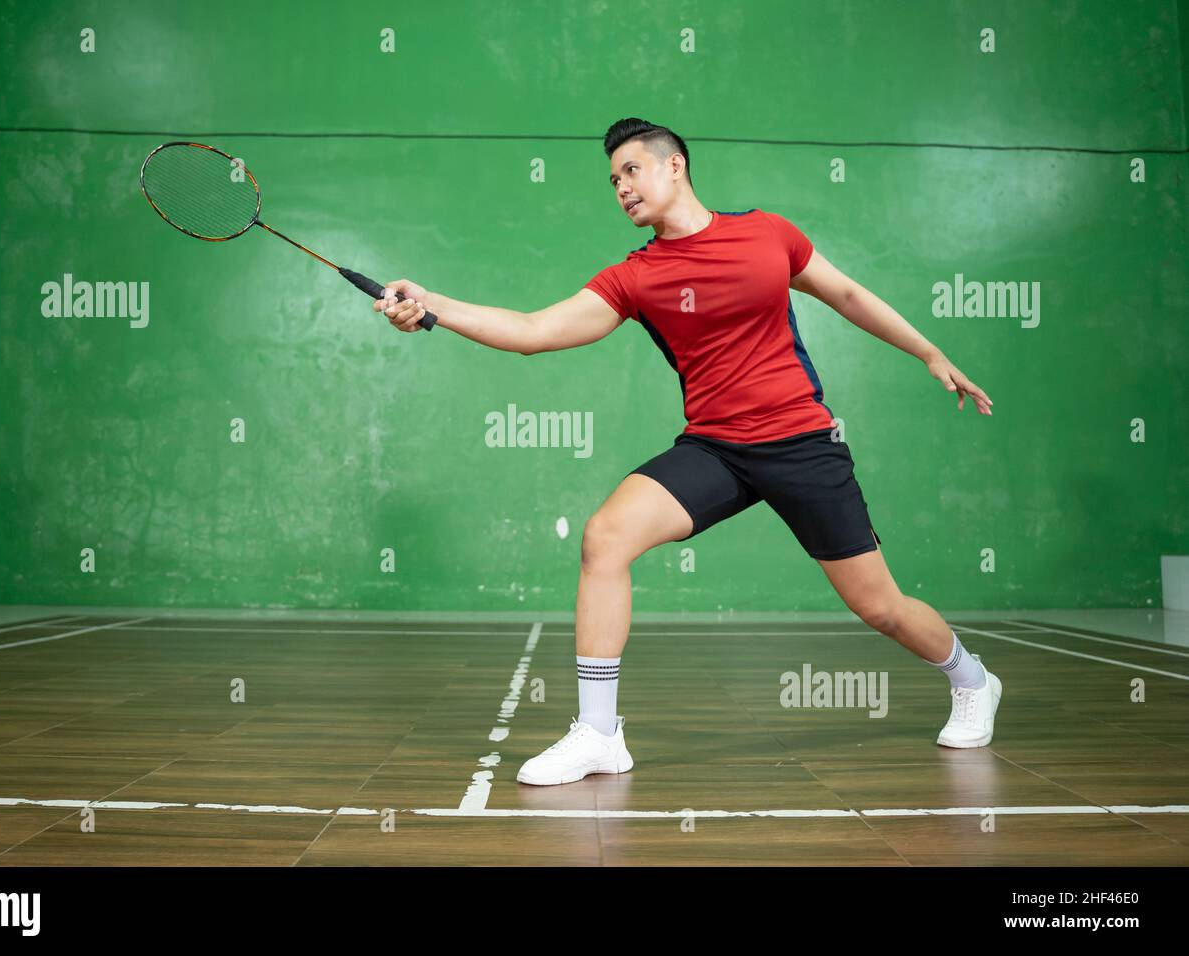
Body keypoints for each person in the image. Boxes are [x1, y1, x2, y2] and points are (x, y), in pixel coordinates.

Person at [373, 117, 1001, 787]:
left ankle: (973, 680)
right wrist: (433, 305)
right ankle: (600, 733)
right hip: (716, 449)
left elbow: (845, 293)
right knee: (606, 536)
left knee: (881, 608)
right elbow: (535, 331)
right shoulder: (636, 277)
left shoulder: (768, 234)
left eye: (631, 171)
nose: (621, 188)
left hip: (800, 444)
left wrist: (929, 351)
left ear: (674, 167)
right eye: (612, 181)